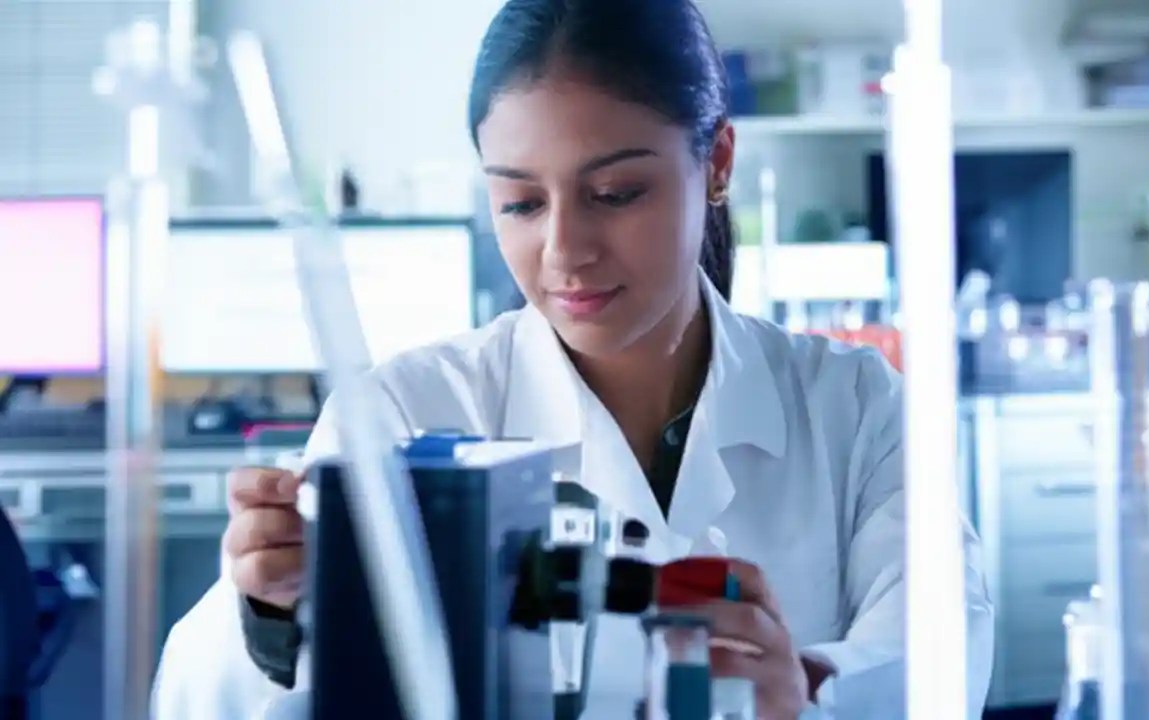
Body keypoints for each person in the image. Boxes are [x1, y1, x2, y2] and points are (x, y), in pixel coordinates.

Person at [151, 0, 994, 718]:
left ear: (717, 164)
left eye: (616, 193)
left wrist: (802, 687)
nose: (564, 251)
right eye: (520, 202)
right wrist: (266, 610)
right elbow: (199, 697)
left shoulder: (855, 406)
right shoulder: (406, 414)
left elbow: (943, 658)